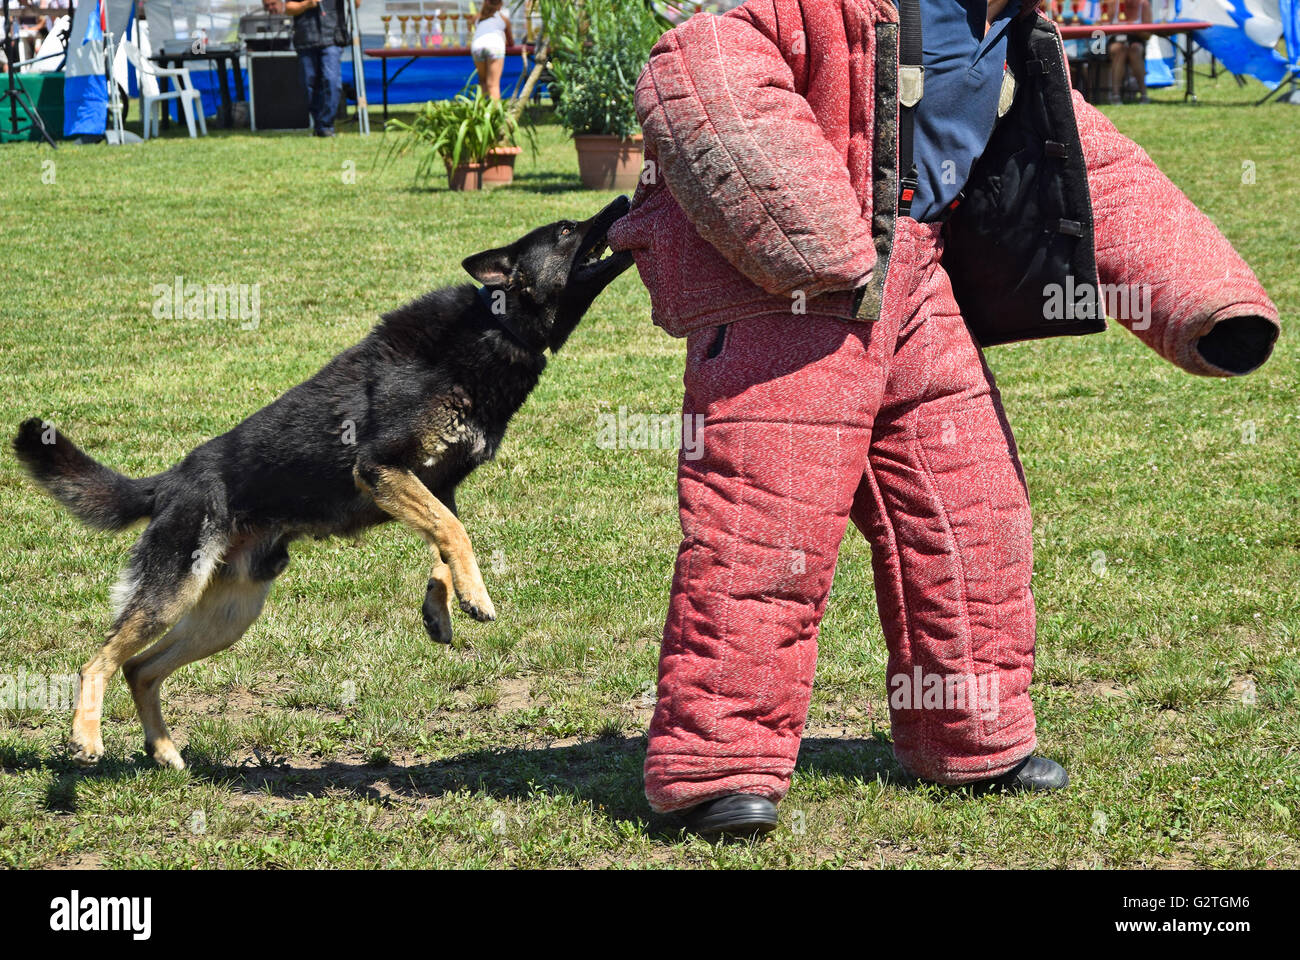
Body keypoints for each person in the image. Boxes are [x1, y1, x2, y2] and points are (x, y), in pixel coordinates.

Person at [607, 0, 1279, 837]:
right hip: (790, 300)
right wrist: (818, 241)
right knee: (763, 532)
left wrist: (1208, 302)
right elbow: (700, 63)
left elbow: (1086, 162)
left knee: (971, 510)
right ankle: (717, 767)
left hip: (912, 280)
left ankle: (972, 734)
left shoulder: (1016, 30)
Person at [285, 0, 355, 136]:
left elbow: (356, 4)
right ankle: (319, 124)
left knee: (331, 81)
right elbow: (288, 8)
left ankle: (326, 124)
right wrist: (305, 5)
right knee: (308, 85)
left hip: (332, 38)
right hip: (305, 38)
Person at [1107, 0, 1153, 103]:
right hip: (1116, 39)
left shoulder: (1144, 4)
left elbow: (1148, 34)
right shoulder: (1113, 3)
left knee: (1135, 49)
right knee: (1119, 49)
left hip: (1136, 40)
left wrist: (1134, 28)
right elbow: (1103, 26)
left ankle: (1143, 94)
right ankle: (1115, 95)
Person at [471, 0, 513, 100]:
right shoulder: (504, 19)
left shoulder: (476, 18)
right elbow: (511, 42)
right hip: (495, 46)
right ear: (500, 5)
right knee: (493, 85)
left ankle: (482, 112)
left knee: (483, 82)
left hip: (477, 47)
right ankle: (494, 114)